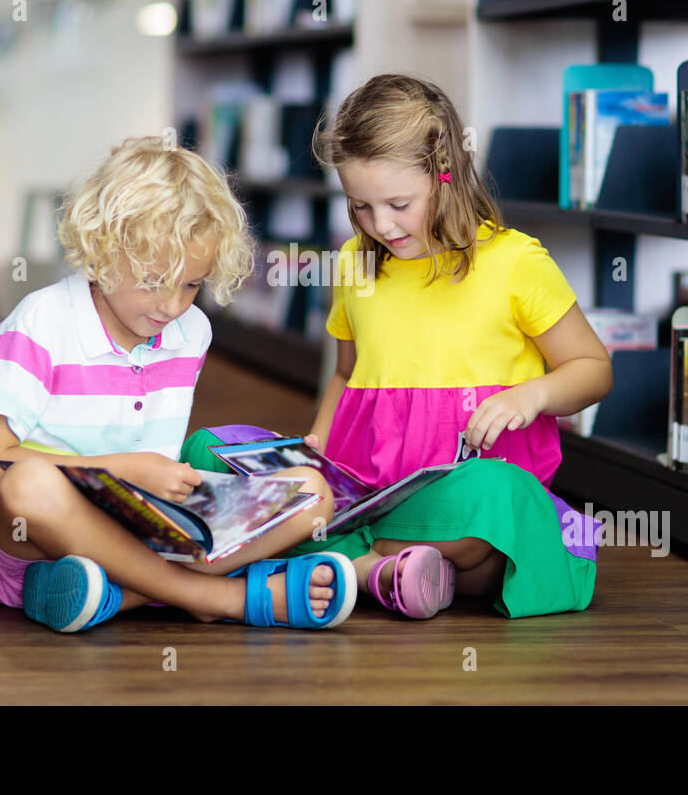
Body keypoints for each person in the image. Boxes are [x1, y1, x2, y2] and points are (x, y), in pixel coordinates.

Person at [205, 74, 611, 620]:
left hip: (452, 499)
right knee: (209, 451)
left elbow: (592, 369)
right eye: (361, 207)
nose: (381, 225)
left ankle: (319, 559)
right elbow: (347, 375)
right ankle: (380, 569)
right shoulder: (355, 261)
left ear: (446, 175)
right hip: (357, 490)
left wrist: (530, 397)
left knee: (497, 495)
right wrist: (317, 446)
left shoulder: (515, 263)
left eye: (398, 203)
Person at [0, 136, 356, 631]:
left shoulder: (191, 330)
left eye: (191, 283)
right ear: (102, 248)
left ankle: (121, 595)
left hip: (144, 534)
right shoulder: (40, 324)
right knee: (28, 486)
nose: (172, 305)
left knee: (311, 493)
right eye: (154, 281)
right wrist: (123, 470)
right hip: (33, 540)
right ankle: (217, 597)